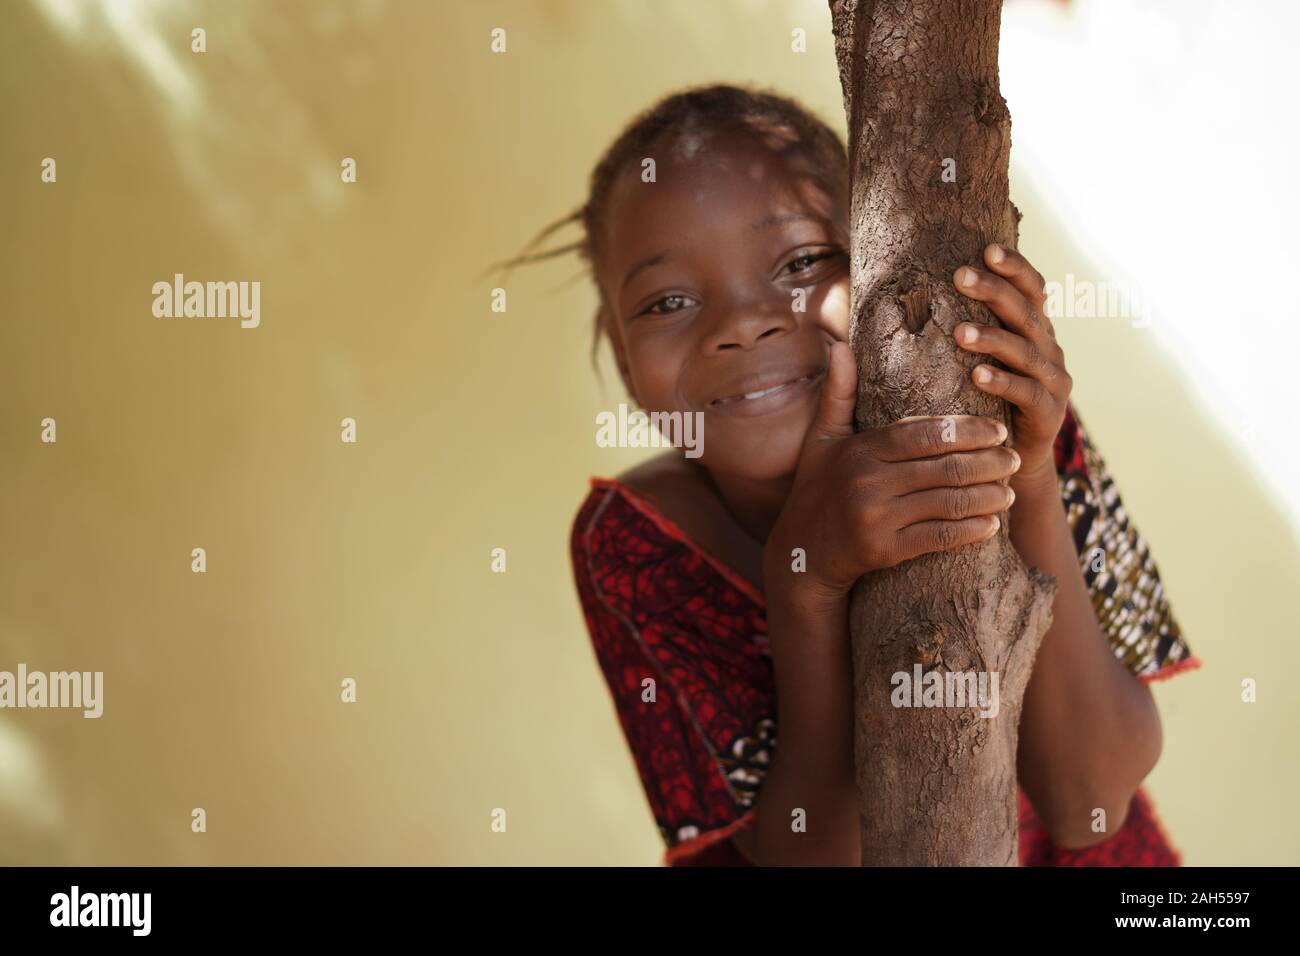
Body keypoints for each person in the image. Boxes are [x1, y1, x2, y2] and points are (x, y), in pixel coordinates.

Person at [502, 83, 1199, 866]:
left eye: (802, 261)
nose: (742, 322)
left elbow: (1090, 803)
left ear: (877, 269)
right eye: (667, 301)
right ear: (622, 356)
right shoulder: (637, 550)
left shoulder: (1000, 406)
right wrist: (807, 583)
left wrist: (1028, 476)